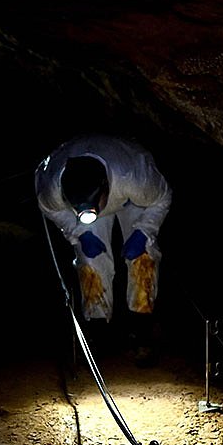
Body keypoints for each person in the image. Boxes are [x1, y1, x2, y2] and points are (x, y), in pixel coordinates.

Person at [35, 133, 171, 366]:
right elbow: (51, 210)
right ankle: (98, 331)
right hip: (87, 204)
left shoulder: (134, 177)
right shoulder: (51, 190)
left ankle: (142, 330)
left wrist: (144, 231)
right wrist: (79, 232)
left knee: (143, 256)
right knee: (90, 261)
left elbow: (163, 197)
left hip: (132, 198)